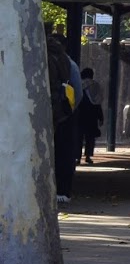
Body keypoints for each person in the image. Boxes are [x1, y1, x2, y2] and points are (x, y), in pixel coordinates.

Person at [45, 32, 80, 204]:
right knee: (65, 153)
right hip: (64, 113)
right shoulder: (69, 63)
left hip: (44, 113)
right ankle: (63, 191)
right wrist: (69, 109)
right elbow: (78, 92)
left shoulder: (41, 59)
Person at [77, 68, 104, 163]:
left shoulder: (79, 85)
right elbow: (98, 102)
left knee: (78, 137)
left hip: (80, 114)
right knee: (90, 137)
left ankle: (77, 157)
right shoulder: (96, 86)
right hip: (92, 115)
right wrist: (101, 117)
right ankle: (88, 156)